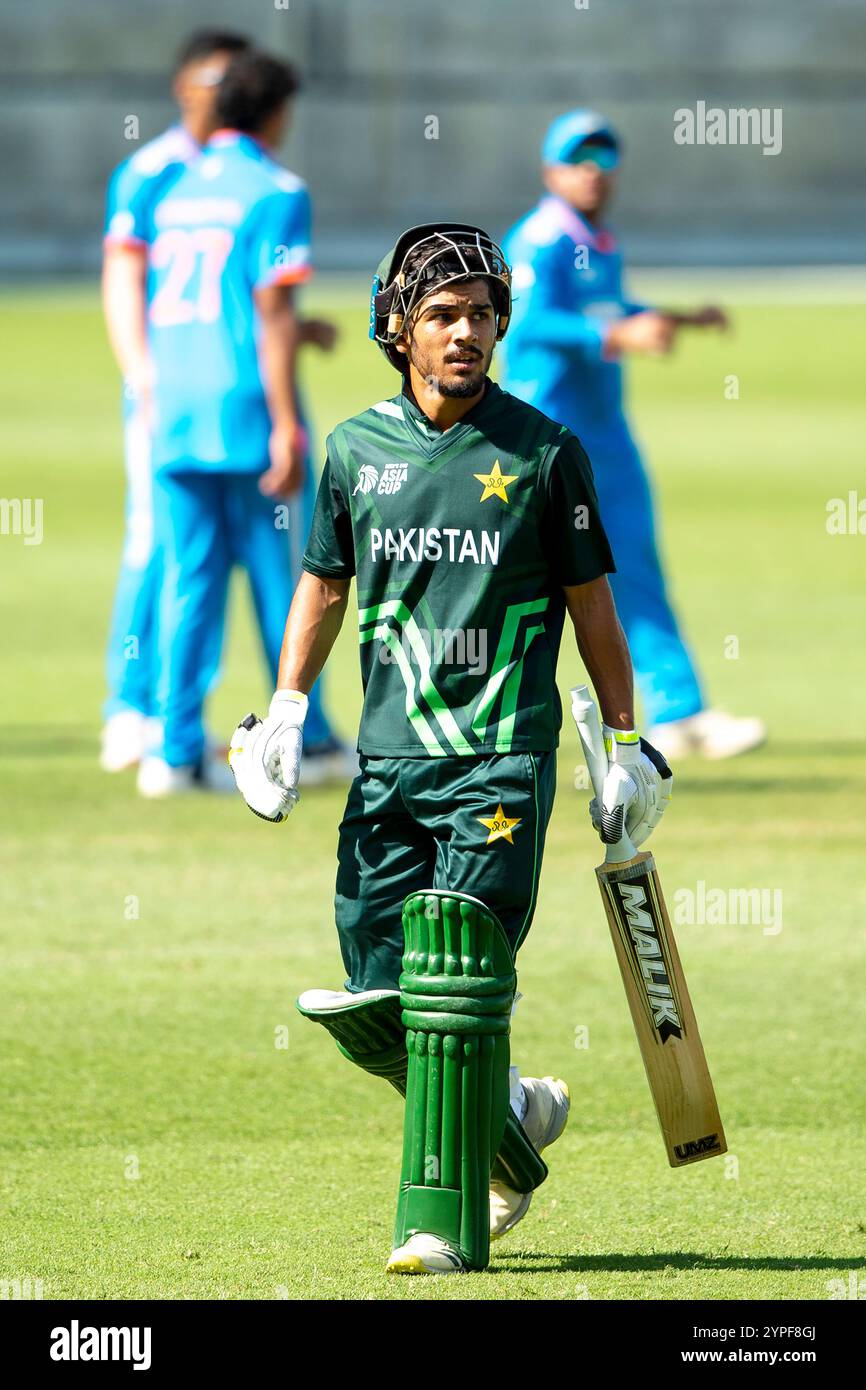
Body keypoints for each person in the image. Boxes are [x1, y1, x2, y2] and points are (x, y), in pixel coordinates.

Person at [227, 224, 673, 1274]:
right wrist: (286, 707)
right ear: (396, 328)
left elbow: (592, 607)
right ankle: (509, 1119)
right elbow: (323, 585)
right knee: (378, 989)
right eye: (439, 315)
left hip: (496, 764)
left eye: (478, 314)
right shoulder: (352, 452)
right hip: (386, 765)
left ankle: (439, 1219)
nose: (463, 333)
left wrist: (624, 743)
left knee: (454, 974)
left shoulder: (543, 451)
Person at [501, 110, 765, 760]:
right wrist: (618, 336)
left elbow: (605, 309)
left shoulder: (599, 239)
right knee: (516, 583)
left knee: (636, 569)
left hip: (604, 438)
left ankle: (679, 710)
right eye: (579, 158)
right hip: (545, 441)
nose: (594, 172)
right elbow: (528, 323)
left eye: (604, 158)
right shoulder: (541, 238)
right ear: (550, 169)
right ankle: (487, 720)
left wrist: (671, 317)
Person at [132, 49, 352, 796]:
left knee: (189, 582)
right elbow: (268, 307)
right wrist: (288, 425)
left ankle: (173, 753)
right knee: (286, 580)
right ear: (276, 111)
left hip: (176, 406)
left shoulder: (174, 187)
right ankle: (310, 738)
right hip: (246, 408)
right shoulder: (277, 190)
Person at [101, 28, 251, 773]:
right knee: (151, 541)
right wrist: (141, 374)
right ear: (181, 86)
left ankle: (176, 714)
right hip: (167, 393)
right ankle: (128, 706)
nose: (219, 97)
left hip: (218, 396)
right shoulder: (152, 171)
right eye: (210, 82)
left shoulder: (228, 172)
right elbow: (122, 276)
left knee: (208, 559)